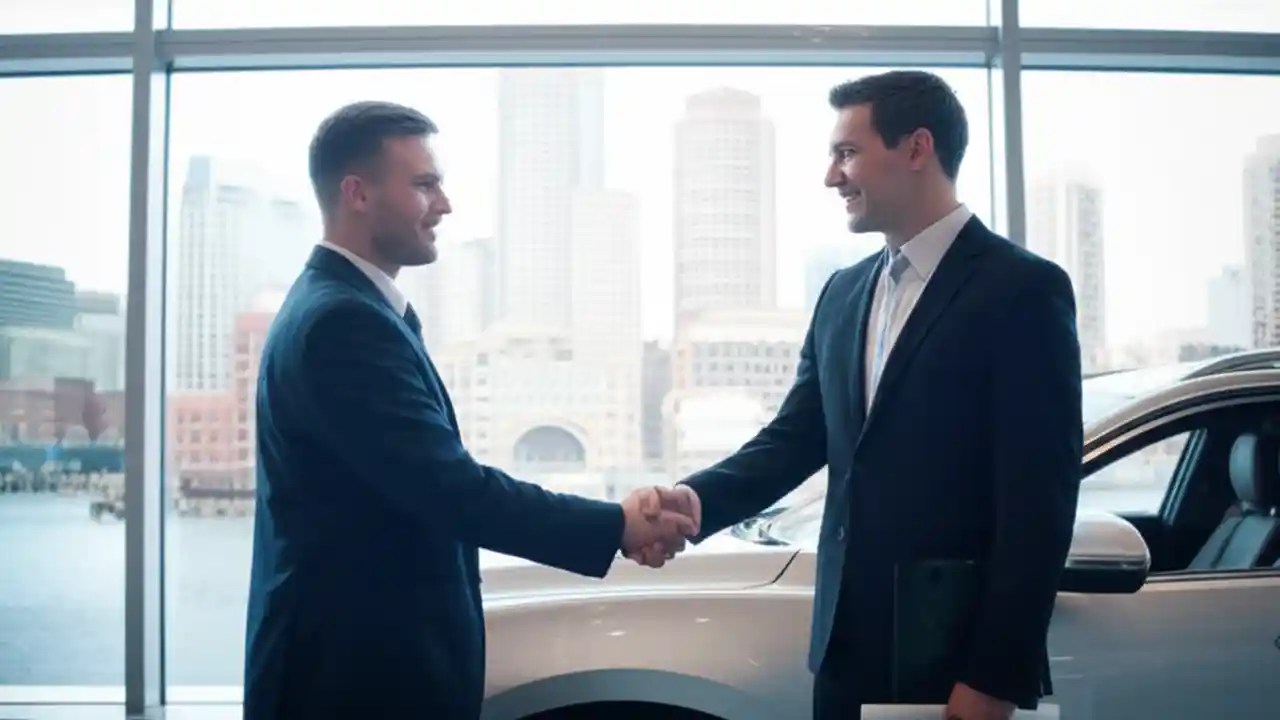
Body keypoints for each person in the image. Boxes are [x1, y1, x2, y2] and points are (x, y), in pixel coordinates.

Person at [637, 70, 1082, 720]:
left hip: (952, 658)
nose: (831, 176)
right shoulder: (843, 293)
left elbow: (1038, 503)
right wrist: (694, 502)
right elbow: (793, 441)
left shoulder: (1022, 291)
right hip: (845, 651)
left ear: (916, 147)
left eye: (847, 152)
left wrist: (993, 678)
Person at [242, 100, 697, 720]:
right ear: (358, 193)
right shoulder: (342, 323)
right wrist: (615, 524)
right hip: (356, 679)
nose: (445, 205)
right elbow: (449, 488)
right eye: (424, 184)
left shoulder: (348, 308)